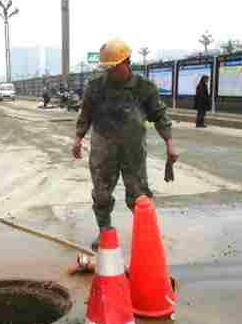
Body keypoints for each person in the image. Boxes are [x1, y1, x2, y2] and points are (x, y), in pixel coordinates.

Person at [72, 38, 178, 250]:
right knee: (101, 194)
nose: (110, 72)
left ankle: (146, 237)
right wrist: (78, 138)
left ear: (127, 62)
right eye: (107, 67)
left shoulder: (144, 87)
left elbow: (159, 115)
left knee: (139, 196)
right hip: (103, 149)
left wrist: (169, 143)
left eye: (114, 66)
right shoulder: (95, 87)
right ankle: (104, 232)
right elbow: (86, 115)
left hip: (133, 150)